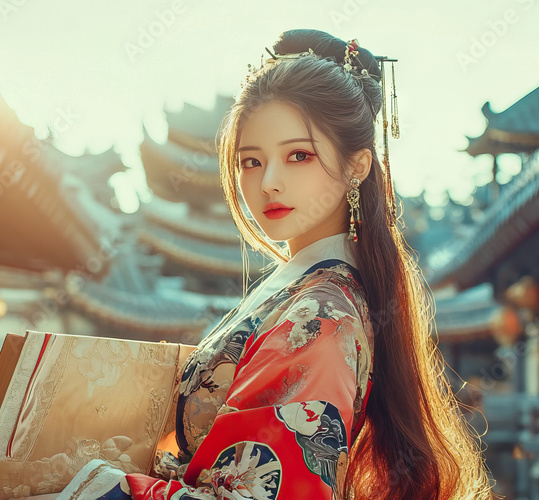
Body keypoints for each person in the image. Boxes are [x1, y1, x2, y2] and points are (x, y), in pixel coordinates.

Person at [56, 28, 492, 499]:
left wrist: (107, 488)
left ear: (357, 166)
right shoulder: (309, 293)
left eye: (298, 155)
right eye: (250, 162)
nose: (269, 183)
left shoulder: (322, 318)